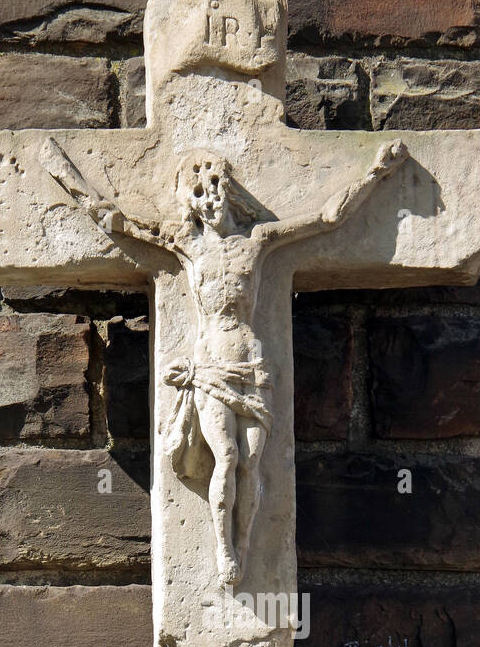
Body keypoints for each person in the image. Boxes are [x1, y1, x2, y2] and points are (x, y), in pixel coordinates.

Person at [44, 136, 409, 587]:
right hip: (211, 365)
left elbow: (328, 218)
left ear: (229, 189)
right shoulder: (188, 245)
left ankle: (245, 543)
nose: (210, 198)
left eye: (215, 185)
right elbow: (116, 222)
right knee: (228, 455)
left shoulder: (258, 240)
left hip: (252, 366)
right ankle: (224, 551)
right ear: (187, 203)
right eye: (197, 192)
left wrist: (377, 172)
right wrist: (64, 174)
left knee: (252, 462)